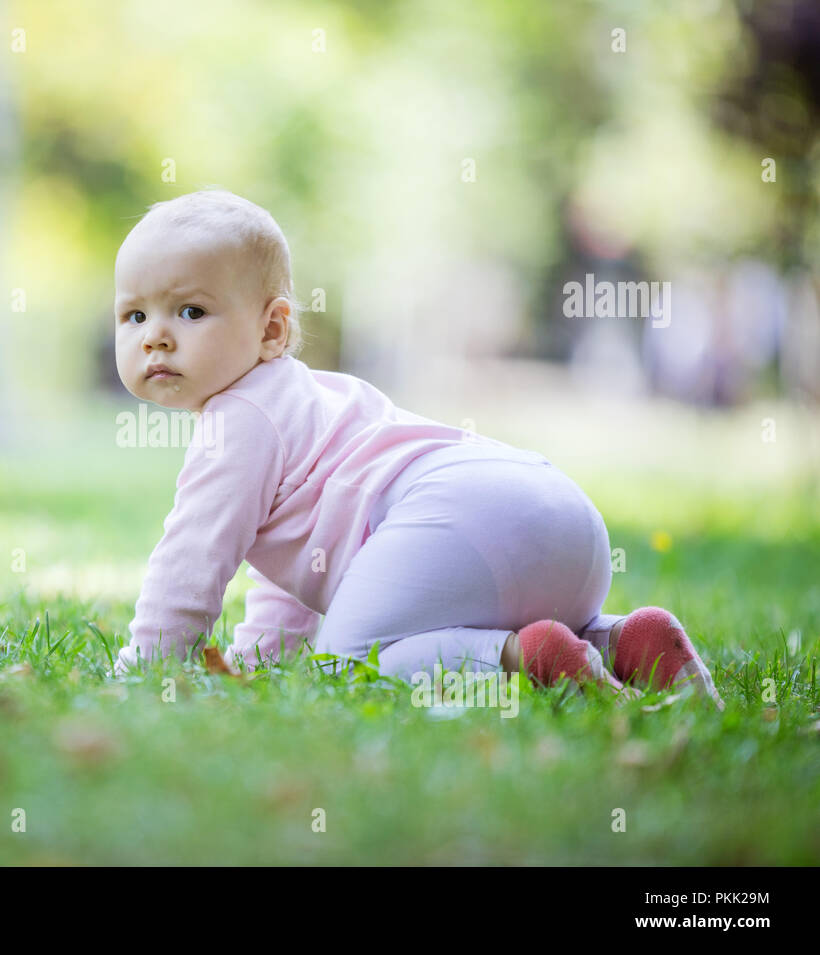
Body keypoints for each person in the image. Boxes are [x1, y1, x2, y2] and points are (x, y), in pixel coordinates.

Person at [109, 188, 723, 708]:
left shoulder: (237, 419)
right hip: (561, 521)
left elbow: (191, 558)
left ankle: (518, 660)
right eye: (134, 316)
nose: (156, 338)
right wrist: (262, 656)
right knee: (383, 631)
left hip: (457, 518)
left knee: (346, 669)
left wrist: (147, 669)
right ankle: (623, 644)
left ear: (272, 328)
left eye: (190, 311)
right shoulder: (313, 397)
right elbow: (296, 571)